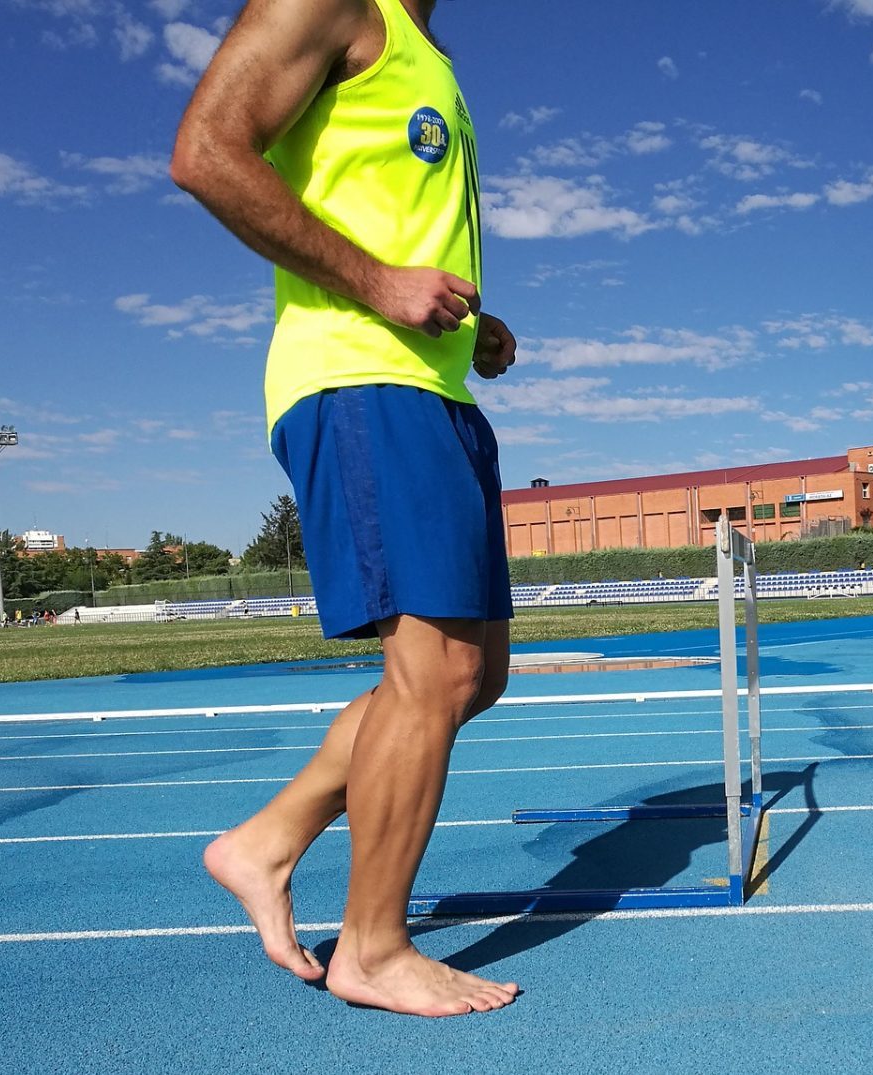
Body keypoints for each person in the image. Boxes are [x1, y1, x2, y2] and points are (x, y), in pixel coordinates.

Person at [172, 0, 519, 1018]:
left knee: (472, 677)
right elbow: (205, 152)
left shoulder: (422, 48)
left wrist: (467, 320)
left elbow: (390, 222)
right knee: (435, 668)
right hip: (363, 382)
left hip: (433, 387)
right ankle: (372, 947)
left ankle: (266, 841)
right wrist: (377, 283)